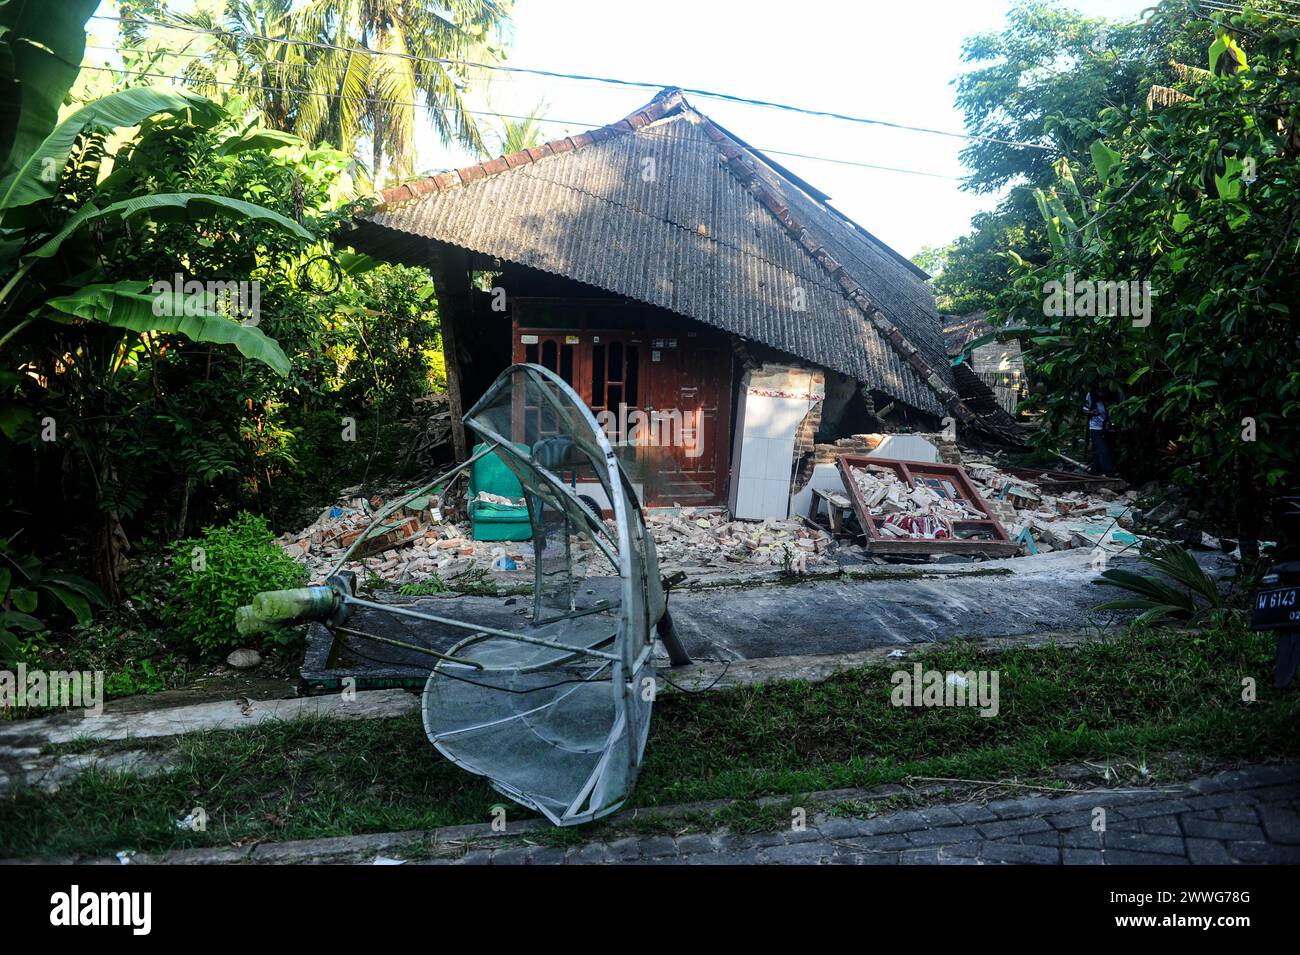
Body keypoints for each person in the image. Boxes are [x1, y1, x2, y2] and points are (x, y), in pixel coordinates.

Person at [1082, 386, 1117, 477]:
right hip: (1096, 427)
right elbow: (1085, 409)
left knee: (1103, 452)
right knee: (1103, 451)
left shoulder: (1115, 394)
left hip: (1110, 428)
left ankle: (1095, 471)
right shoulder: (1091, 395)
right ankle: (1110, 475)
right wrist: (1091, 412)